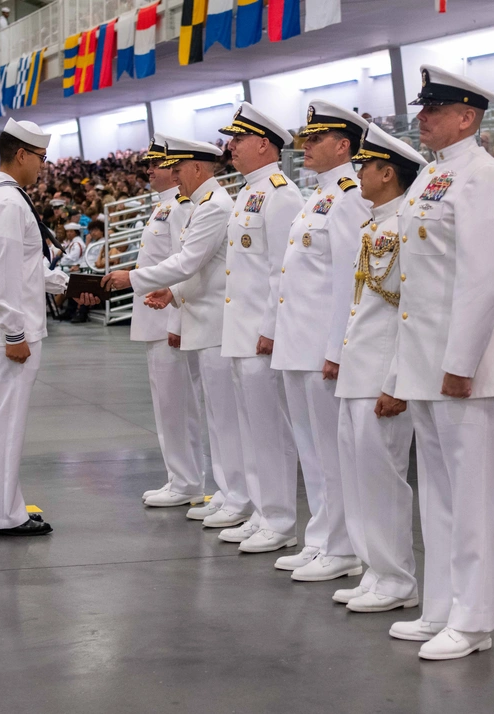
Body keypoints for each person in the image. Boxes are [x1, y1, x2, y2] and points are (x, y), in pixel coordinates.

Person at [380, 65, 494, 660]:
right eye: (423, 110)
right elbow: (416, 282)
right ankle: (441, 604)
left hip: (465, 364)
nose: (422, 119)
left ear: (466, 116)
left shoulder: (484, 178)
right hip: (425, 359)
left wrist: (461, 361)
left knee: (470, 497)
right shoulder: (433, 177)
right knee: (436, 492)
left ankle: (473, 620)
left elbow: (484, 279)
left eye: (433, 110)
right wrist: (403, 366)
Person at [101, 138, 252, 530]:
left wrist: (131, 280)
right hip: (191, 313)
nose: (167, 171)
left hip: (207, 319)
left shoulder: (205, 206)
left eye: (175, 166)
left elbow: (186, 262)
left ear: (197, 168)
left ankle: (222, 490)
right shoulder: (188, 205)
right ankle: (221, 490)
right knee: (210, 414)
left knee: (213, 414)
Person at [269, 100, 371, 581]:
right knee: (311, 451)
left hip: (321, 350)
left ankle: (344, 546)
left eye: (315, 139)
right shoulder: (319, 195)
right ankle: (321, 538)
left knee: (333, 454)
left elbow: (351, 280)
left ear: (343, 145)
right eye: (306, 138)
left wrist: (336, 349)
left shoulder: (350, 196)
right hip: (298, 344)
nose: (304, 146)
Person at [334, 123, 426, 613]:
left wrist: (396, 381)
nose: (359, 175)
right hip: (358, 370)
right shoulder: (376, 225)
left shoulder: (405, 226)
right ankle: (374, 569)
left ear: (387, 173)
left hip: (381, 377)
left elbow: (410, 312)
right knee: (359, 476)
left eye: (365, 166)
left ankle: (397, 579)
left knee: (385, 479)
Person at [0, 118, 69, 536]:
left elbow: (17, 265)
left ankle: (7, 507)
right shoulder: (9, 203)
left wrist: (60, 281)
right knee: (5, 424)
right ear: (22, 154)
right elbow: (5, 276)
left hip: (4, 327)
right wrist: (15, 334)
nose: (43, 165)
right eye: (41, 158)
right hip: (11, 332)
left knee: (2, 421)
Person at [215, 103, 304, 553]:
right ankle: (262, 510)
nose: (230, 146)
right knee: (251, 426)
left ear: (264, 144)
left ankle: (281, 518)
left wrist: (271, 328)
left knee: (271, 429)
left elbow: (281, 271)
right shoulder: (250, 191)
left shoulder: (280, 193)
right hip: (241, 332)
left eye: (239, 139)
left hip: (260, 335)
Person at [122, 136, 206, 509]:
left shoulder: (180, 209)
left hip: (168, 318)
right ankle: (179, 476)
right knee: (166, 404)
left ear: (176, 171)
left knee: (178, 405)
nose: (152, 170)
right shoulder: (164, 207)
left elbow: (181, 266)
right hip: (154, 317)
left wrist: (176, 321)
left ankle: (187, 480)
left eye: (158, 164)